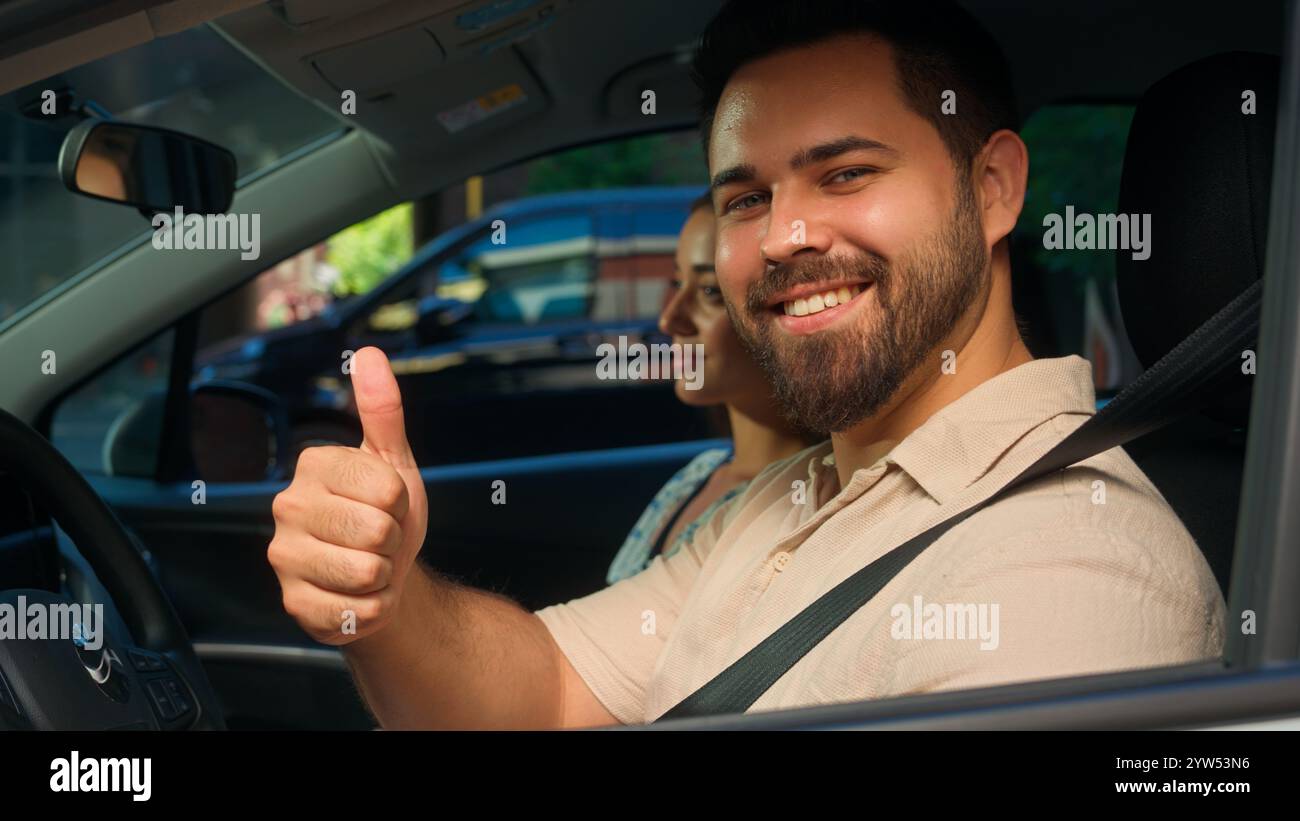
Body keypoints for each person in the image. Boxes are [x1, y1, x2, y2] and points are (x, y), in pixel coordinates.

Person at [266, 0, 1224, 729]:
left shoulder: (1070, 572)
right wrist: (388, 599)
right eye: (745, 198)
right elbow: (550, 691)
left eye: (845, 173)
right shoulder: (792, 499)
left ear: (993, 189)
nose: (785, 237)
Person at [606, 193, 814, 584]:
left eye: (708, 291)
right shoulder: (701, 472)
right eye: (676, 282)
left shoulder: (805, 504)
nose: (670, 320)